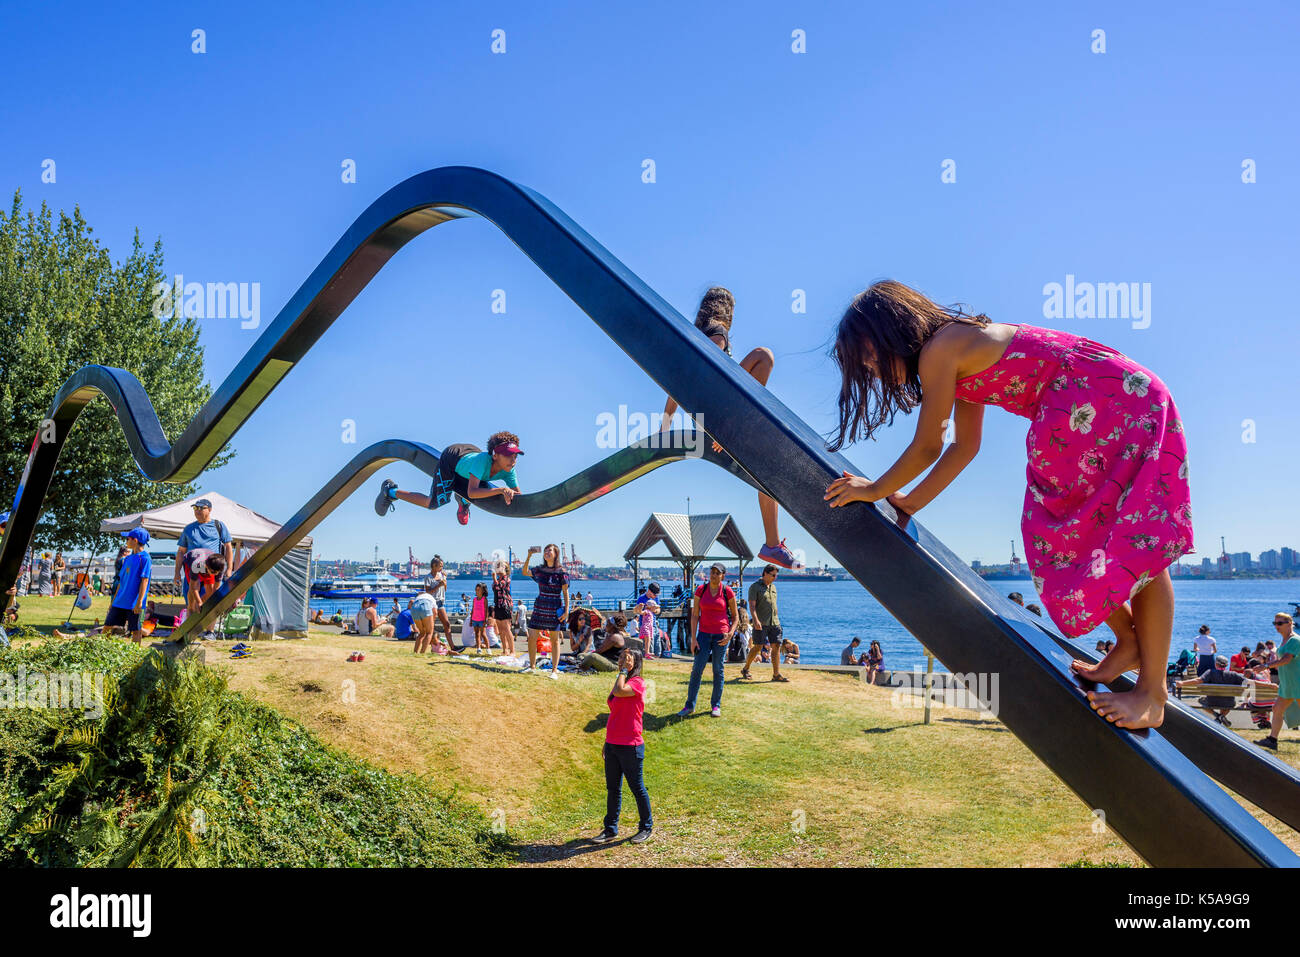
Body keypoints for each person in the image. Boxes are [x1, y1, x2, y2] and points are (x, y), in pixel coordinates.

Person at [824, 281, 1194, 730]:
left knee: (1128, 536)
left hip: (1101, 398)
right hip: (1102, 397)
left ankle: (1153, 693)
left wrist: (875, 490)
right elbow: (965, 447)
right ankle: (1128, 641)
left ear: (887, 332)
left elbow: (928, 445)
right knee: (1071, 532)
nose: (870, 368)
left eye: (866, 355)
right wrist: (909, 502)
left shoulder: (939, 351)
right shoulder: (954, 348)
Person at [659, 287, 802, 570]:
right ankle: (772, 544)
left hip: (715, 415)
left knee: (767, 470)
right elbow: (689, 381)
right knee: (764, 355)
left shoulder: (693, 343)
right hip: (716, 416)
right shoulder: (717, 332)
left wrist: (666, 425)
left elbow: (675, 389)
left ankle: (772, 545)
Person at [377, 432, 523, 526]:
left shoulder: (509, 470)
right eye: (509, 455)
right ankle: (390, 491)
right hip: (451, 459)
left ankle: (462, 502)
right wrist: (502, 490)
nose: (513, 460)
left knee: (486, 491)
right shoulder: (483, 462)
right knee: (432, 503)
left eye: (515, 455)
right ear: (495, 455)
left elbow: (519, 498)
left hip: (469, 457)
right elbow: (472, 492)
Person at [591, 649, 652, 845]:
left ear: (636, 662)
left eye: (627, 658)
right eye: (621, 657)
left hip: (630, 745)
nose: (622, 660)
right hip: (613, 744)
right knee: (613, 789)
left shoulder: (638, 683)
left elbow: (618, 692)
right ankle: (610, 829)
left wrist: (623, 671)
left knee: (637, 788)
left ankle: (646, 827)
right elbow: (615, 712)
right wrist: (607, 741)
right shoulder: (622, 680)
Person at [679, 563, 737, 718]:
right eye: (712, 572)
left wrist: (730, 633)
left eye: (717, 573)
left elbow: (735, 617)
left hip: (721, 636)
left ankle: (716, 706)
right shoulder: (701, 590)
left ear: (723, 576)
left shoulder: (727, 592)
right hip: (703, 635)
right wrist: (693, 639)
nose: (714, 575)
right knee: (697, 670)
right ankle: (689, 706)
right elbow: (695, 615)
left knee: (718, 670)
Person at [174, 499, 234, 618]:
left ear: (210, 510)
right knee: (192, 601)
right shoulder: (189, 528)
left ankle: (209, 632)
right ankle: (190, 629)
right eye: (195, 508)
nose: (198, 511)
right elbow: (181, 552)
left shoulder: (219, 525)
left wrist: (229, 569)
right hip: (193, 568)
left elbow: (228, 547)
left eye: (202, 508)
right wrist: (177, 573)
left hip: (213, 568)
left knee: (210, 600)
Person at [521, 544, 570, 678]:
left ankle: (554, 670)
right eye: (545, 550)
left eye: (550, 550)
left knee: (554, 640)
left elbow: (565, 592)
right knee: (532, 637)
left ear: (556, 554)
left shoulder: (562, 572)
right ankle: (531, 666)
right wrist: (529, 555)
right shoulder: (540, 570)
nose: (547, 552)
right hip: (540, 605)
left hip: (555, 606)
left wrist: (566, 610)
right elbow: (524, 572)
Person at [1257, 612, 1300, 750]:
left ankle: (1272, 739)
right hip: (1288, 683)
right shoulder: (1285, 640)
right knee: (1277, 709)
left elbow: (1286, 659)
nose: (1276, 626)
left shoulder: (1295, 640)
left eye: (1279, 623)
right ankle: (1272, 740)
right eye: (1275, 623)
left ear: (1289, 623)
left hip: (1297, 682)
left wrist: (1266, 665)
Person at [105, 527, 151, 645]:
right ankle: (103, 650)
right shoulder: (127, 559)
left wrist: (140, 602)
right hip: (119, 601)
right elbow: (121, 582)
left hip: (134, 603)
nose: (126, 541)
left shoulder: (145, 558)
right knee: (107, 627)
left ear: (135, 540)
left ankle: (135, 654)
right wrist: (113, 601)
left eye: (127, 538)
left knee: (136, 630)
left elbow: (144, 581)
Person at [740, 564, 785, 682]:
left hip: (774, 622)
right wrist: (755, 620)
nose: (775, 577)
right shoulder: (755, 587)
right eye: (773, 575)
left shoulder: (773, 587)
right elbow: (752, 606)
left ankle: (776, 674)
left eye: (776, 575)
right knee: (758, 646)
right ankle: (746, 668)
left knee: (776, 646)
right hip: (761, 622)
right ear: (765, 573)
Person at [1177, 654, 1243, 724]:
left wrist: (1182, 683)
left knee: (1201, 701)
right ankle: (1221, 716)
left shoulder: (1210, 672)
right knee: (1228, 702)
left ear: (1216, 664)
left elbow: (1198, 680)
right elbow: (1246, 681)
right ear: (1226, 665)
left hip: (1211, 701)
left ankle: (1216, 715)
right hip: (1228, 703)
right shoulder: (1233, 674)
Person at [423, 556, 459, 655]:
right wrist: (439, 585)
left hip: (441, 602)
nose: (441, 568)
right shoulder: (428, 578)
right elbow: (428, 592)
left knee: (447, 624)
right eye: (440, 566)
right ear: (434, 566)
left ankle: (453, 646)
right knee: (431, 626)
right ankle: (431, 646)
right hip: (432, 603)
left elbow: (445, 589)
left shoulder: (441, 575)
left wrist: (445, 580)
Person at [491, 559, 516, 656]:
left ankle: (512, 651)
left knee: (506, 628)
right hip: (498, 605)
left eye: (500, 565)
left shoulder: (506, 578)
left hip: (505, 605)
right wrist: (495, 579)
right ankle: (505, 650)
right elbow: (495, 589)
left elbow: (499, 586)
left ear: (505, 568)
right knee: (500, 629)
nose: (497, 567)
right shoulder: (498, 578)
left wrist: (494, 579)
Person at [633, 583, 660, 657]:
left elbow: (658, 611)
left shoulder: (656, 598)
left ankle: (656, 661)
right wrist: (639, 607)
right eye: (654, 594)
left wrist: (654, 610)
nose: (655, 596)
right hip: (646, 626)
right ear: (649, 591)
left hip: (654, 625)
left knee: (658, 650)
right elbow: (636, 611)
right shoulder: (641, 598)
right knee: (649, 647)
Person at [412, 586, 438, 654]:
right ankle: (422, 652)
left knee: (422, 633)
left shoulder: (419, 596)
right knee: (429, 632)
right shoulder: (432, 598)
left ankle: (415, 652)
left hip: (414, 607)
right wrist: (432, 622)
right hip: (425, 605)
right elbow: (435, 612)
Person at [470, 583, 490, 653]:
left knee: (483, 634)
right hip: (475, 619)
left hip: (482, 620)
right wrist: (471, 620)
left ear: (483, 591)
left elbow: (486, 610)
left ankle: (488, 649)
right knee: (477, 634)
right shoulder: (474, 599)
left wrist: (485, 620)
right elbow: (473, 609)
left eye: (479, 590)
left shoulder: (484, 599)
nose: (477, 591)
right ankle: (478, 648)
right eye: (476, 589)